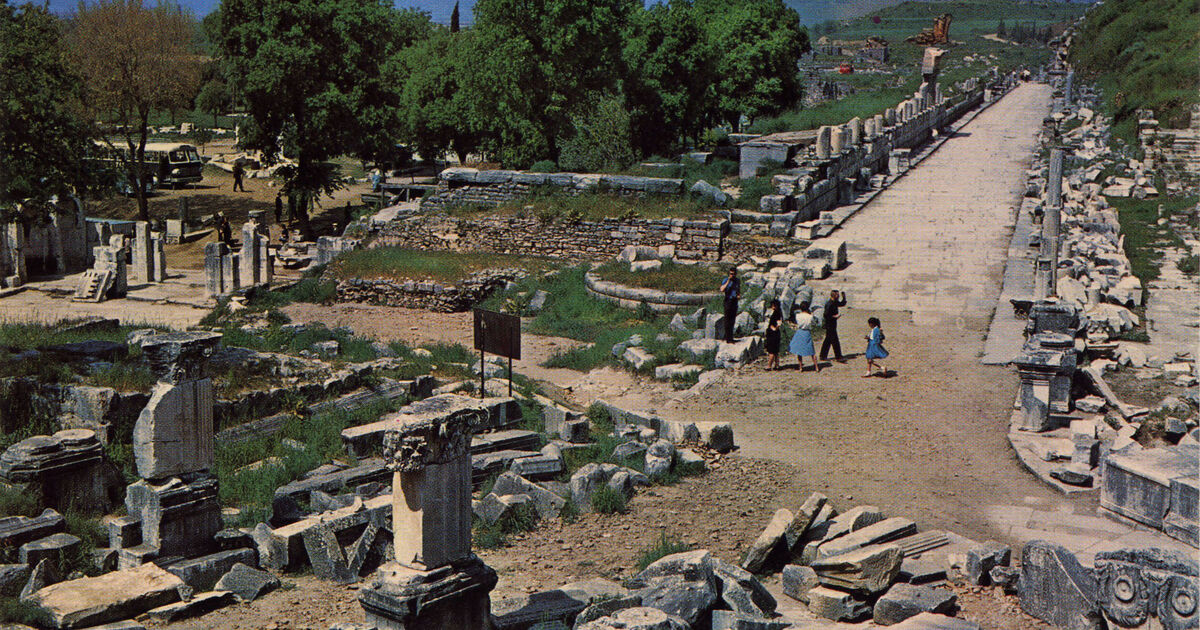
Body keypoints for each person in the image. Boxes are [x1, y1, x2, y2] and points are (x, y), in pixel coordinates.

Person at [790, 301, 819, 372]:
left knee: (799, 352)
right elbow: (814, 323)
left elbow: (795, 322)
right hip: (807, 332)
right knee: (812, 351)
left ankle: (800, 367)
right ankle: (816, 367)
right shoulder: (810, 316)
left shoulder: (797, 315)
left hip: (800, 332)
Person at [819, 289, 847, 363]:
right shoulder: (829, 304)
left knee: (828, 340)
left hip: (833, 324)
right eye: (837, 295)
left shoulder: (834, 302)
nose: (838, 296)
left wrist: (844, 297)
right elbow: (826, 315)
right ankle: (838, 356)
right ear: (834, 295)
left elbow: (842, 304)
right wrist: (834, 317)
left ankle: (823, 356)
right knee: (835, 341)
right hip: (829, 324)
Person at [720, 267, 740, 343]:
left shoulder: (737, 281)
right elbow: (722, 289)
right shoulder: (726, 280)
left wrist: (738, 295)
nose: (732, 275)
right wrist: (728, 281)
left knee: (732, 320)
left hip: (734, 301)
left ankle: (731, 337)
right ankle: (728, 338)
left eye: (734, 274)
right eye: (731, 274)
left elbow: (738, 290)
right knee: (727, 320)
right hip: (728, 300)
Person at [764, 300, 784, 370]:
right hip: (776, 333)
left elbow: (778, 323)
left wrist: (774, 328)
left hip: (773, 334)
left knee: (771, 351)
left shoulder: (776, 313)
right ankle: (777, 365)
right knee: (776, 351)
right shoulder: (779, 313)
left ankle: (769, 366)